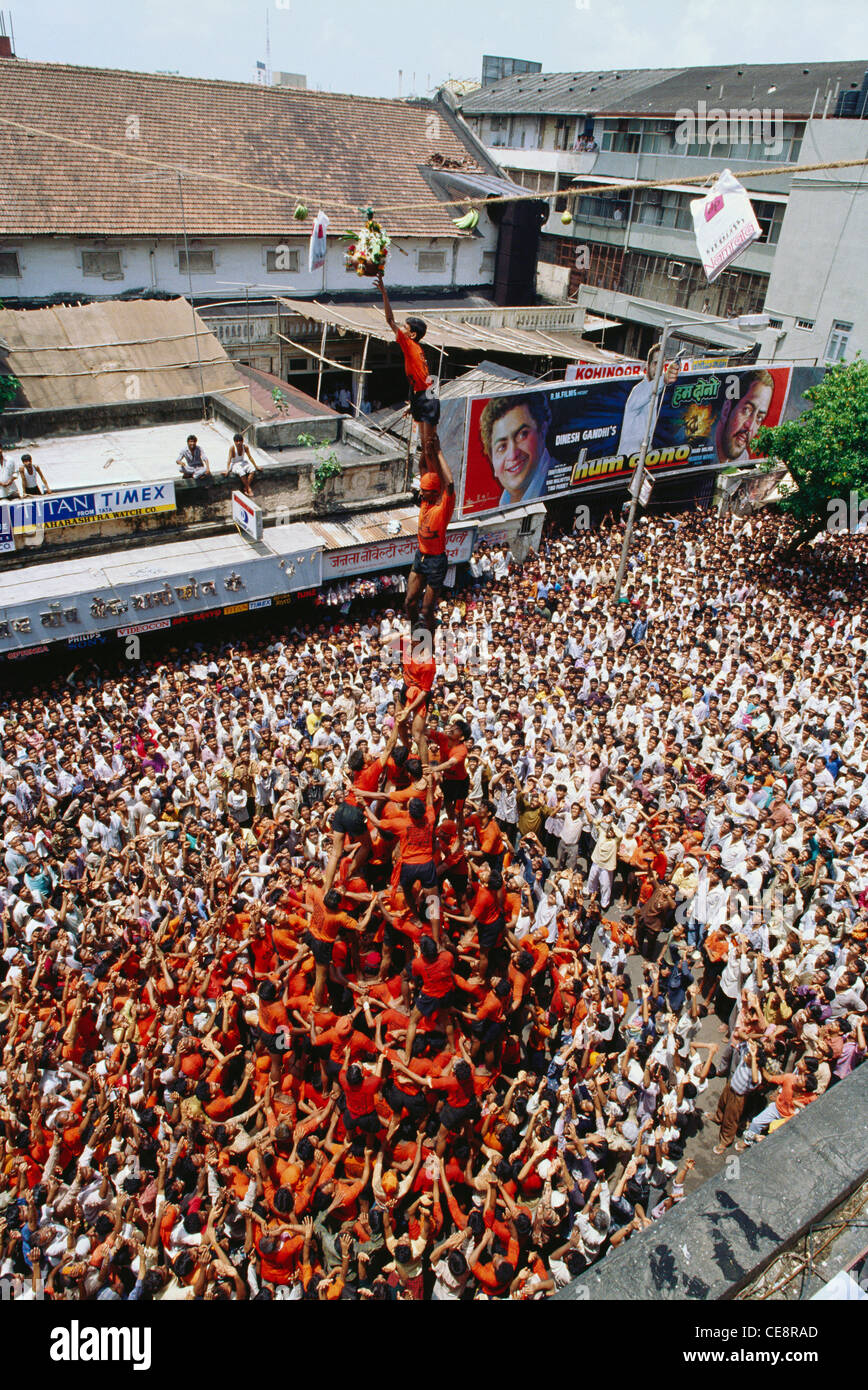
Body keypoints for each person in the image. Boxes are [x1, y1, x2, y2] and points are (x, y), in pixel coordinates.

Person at [374, 273, 440, 460]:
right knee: (424, 446)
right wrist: (412, 403)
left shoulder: (410, 345)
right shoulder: (415, 348)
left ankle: (437, 480)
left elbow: (389, 320)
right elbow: (416, 379)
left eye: (404, 327)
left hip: (427, 397)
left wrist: (384, 294)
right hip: (422, 396)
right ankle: (428, 479)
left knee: (429, 445)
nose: (400, 329)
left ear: (411, 335)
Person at [407, 444, 455, 632]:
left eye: (424, 490)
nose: (421, 493)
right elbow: (423, 469)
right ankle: (415, 632)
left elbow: (449, 483)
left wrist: (440, 452)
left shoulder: (443, 509)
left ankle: (429, 637)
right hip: (421, 556)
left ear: (434, 492)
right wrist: (425, 451)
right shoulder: (425, 503)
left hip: (436, 561)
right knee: (410, 602)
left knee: (426, 611)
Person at [477, 393, 554, 507]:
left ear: (542, 430)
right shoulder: (503, 504)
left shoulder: (556, 486)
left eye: (522, 435)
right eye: (502, 447)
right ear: (492, 460)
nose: (513, 454)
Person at [617, 345, 679, 461]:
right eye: (656, 363)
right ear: (648, 365)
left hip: (643, 460)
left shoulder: (657, 393)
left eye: (662, 365)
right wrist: (664, 379)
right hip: (627, 460)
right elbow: (651, 390)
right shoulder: (639, 390)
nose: (658, 368)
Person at [713, 370, 775, 465]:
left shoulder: (743, 457)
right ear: (726, 409)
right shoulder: (697, 444)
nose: (750, 427)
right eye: (746, 410)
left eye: (759, 418)